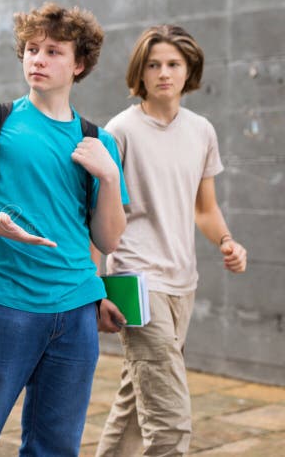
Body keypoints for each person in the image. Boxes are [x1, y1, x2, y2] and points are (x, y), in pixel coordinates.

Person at [0, 2, 129, 456]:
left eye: (53, 51)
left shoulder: (98, 142)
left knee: (57, 446)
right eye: (31, 49)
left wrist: (111, 177)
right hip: (6, 306)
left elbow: (109, 239)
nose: (38, 59)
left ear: (79, 64)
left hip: (77, 313)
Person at [95, 25, 248, 457]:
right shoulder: (120, 131)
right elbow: (97, 214)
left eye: (173, 64)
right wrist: (93, 284)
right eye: (153, 64)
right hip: (136, 281)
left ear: (189, 71)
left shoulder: (202, 131)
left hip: (184, 282)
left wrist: (227, 241)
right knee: (169, 420)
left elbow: (205, 209)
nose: (164, 73)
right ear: (139, 73)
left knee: (134, 401)